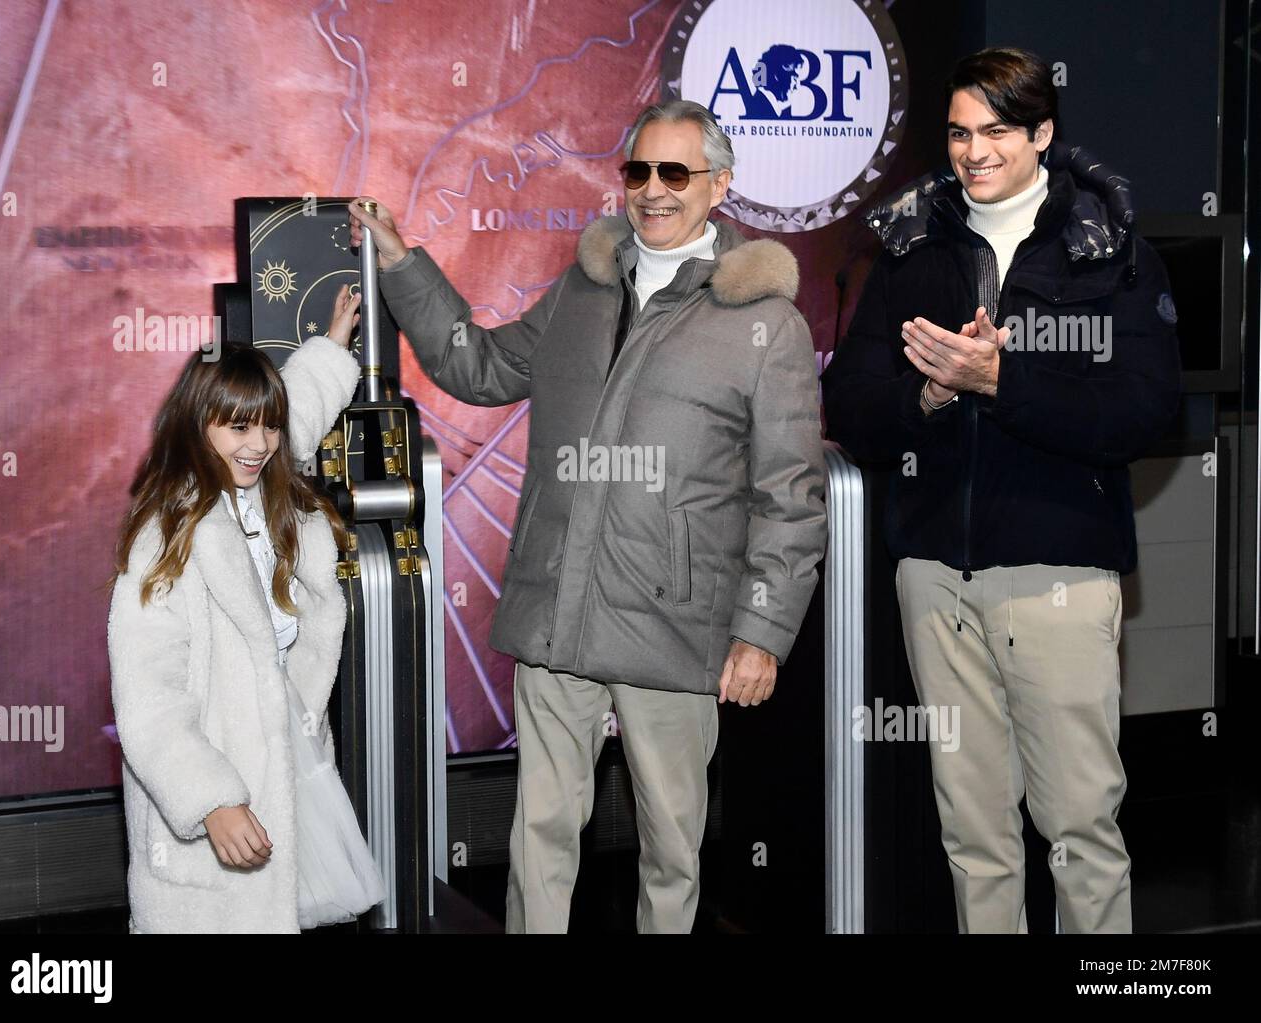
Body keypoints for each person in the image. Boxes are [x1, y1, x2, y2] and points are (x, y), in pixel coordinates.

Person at [348, 98, 827, 933]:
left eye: (675, 173)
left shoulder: (764, 325)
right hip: (557, 607)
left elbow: (790, 494)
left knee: (672, 848)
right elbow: (482, 364)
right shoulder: (583, 288)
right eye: (637, 171)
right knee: (539, 834)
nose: (652, 191)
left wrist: (761, 632)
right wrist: (402, 265)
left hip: (673, 624)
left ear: (719, 185)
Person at [821, 47, 1181, 933]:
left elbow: (1147, 414)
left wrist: (998, 381)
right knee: (973, 833)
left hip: (1058, 572)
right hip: (933, 578)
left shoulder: (1106, 248)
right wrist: (929, 393)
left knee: (1079, 832)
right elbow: (848, 404)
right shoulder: (912, 248)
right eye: (958, 132)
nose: (974, 152)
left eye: (997, 132)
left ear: (1043, 135)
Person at [108, 284, 383, 933]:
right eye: (237, 425)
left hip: (281, 740)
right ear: (195, 423)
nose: (259, 442)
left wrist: (333, 344)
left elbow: (304, 406)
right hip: (213, 756)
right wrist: (211, 800)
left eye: (268, 424)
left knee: (275, 908)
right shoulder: (165, 534)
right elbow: (148, 697)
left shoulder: (267, 478)